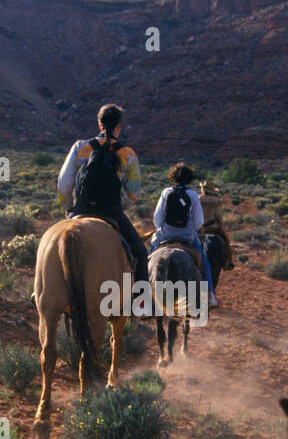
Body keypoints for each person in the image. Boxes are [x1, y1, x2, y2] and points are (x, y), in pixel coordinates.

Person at [57, 103, 148, 285]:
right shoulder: (128, 154)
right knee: (140, 253)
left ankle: (40, 292)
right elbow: (133, 193)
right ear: (119, 126)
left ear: (99, 125)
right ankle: (141, 302)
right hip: (111, 213)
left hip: (80, 209)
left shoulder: (80, 147)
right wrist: (116, 205)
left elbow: (64, 185)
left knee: (51, 246)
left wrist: (69, 208)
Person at [151, 162, 218, 307]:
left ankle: (142, 298)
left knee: (148, 260)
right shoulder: (192, 195)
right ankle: (210, 295)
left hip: (164, 236)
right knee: (204, 264)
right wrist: (189, 230)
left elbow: (157, 219)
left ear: (173, 177)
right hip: (186, 237)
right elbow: (198, 222)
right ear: (189, 179)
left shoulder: (166, 192)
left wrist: (164, 229)